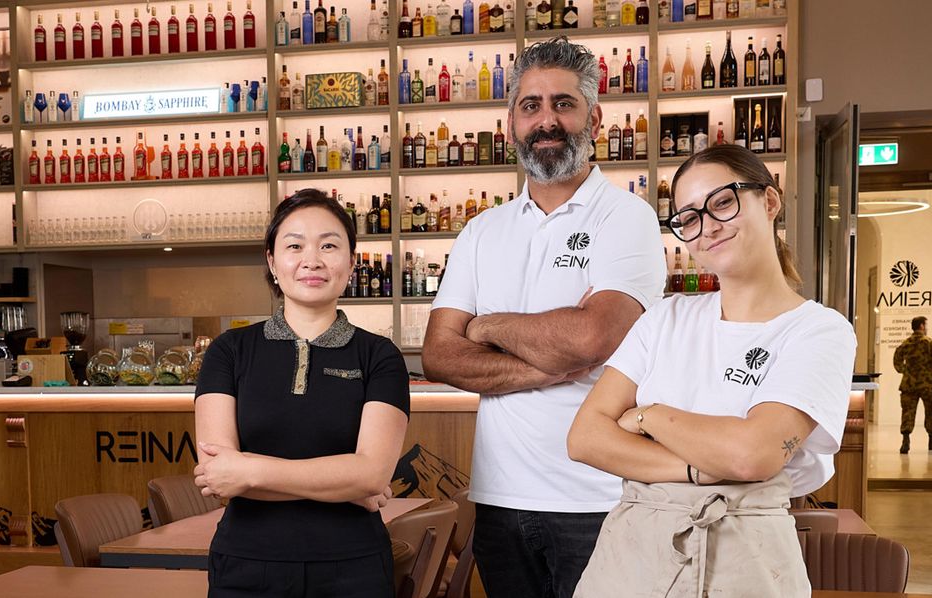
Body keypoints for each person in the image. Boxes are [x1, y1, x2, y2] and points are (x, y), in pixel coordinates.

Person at [422, 37, 665, 598]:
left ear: (595, 118)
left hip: (599, 499)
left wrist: (485, 327)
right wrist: (552, 364)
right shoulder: (483, 230)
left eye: (563, 103)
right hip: (500, 501)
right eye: (530, 106)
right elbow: (439, 355)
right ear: (511, 123)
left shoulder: (627, 218)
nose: (546, 120)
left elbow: (594, 335)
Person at [567, 144, 856, 597]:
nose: (707, 228)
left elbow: (753, 454)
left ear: (770, 200)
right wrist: (701, 468)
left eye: (722, 202)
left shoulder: (820, 330)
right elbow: (584, 438)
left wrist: (648, 417)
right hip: (632, 554)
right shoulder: (664, 319)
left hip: (749, 557)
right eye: (688, 218)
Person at [193, 189, 409, 598]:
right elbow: (219, 476)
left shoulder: (379, 356)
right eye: (295, 245)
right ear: (273, 262)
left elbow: (372, 474)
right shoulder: (229, 351)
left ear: (351, 262)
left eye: (329, 245)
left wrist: (250, 470)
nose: (312, 259)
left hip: (354, 568)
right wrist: (345, 486)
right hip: (246, 567)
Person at [893, 315, 932, 453]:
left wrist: (906, 372)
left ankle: (905, 442)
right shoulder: (929, 342)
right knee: (931, 413)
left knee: (907, 413)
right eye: (926, 325)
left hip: (909, 385)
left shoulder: (906, 343)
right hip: (928, 385)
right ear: (921, 326)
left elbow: (896, 362)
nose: (927, 327)